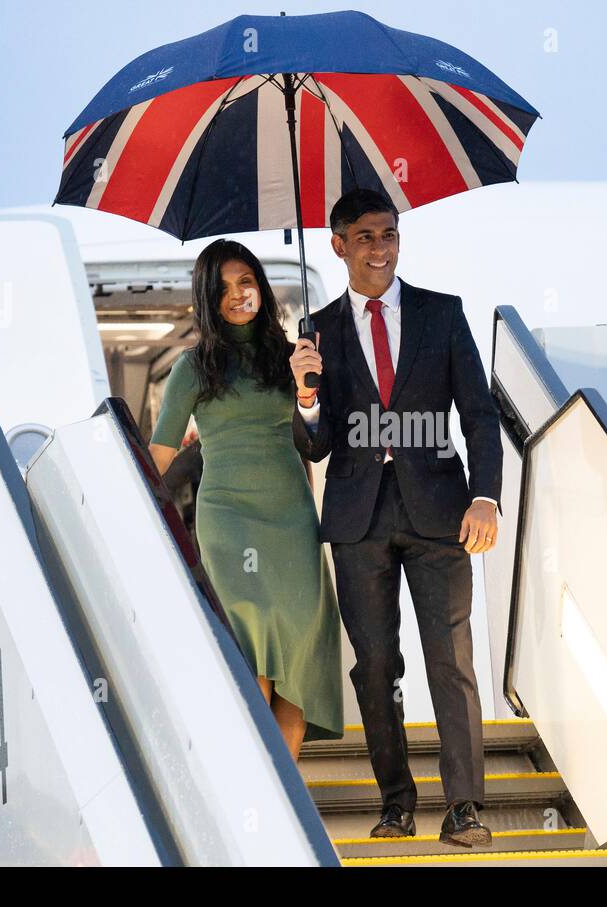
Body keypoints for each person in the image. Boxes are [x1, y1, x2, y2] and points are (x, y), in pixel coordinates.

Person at [288, 188, 502, 847]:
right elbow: (316, 445)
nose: (380, 248)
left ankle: (464, 807)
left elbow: (479, 413)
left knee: (451, 657)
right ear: (338, 245)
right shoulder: (315, 331)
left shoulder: (442, 314)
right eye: (365, 238)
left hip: (441, 510)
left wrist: (486, 495)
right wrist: (304, 394)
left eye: (389, 235)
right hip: (359, 519)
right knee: (376, 665)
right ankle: (396, 804)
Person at [149, 238, 344, 758]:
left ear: (260, 287)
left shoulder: (291, 357)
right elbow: (161, 455)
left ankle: (287, 805)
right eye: (223, 288)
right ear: (206, 299)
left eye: (246, 283)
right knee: (252, 640)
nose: (237, 295)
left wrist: (306, 393)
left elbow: (318, 442)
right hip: (230, 518)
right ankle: (260, 799)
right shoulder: (192, 367)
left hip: (292, 516)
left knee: (296, 657)